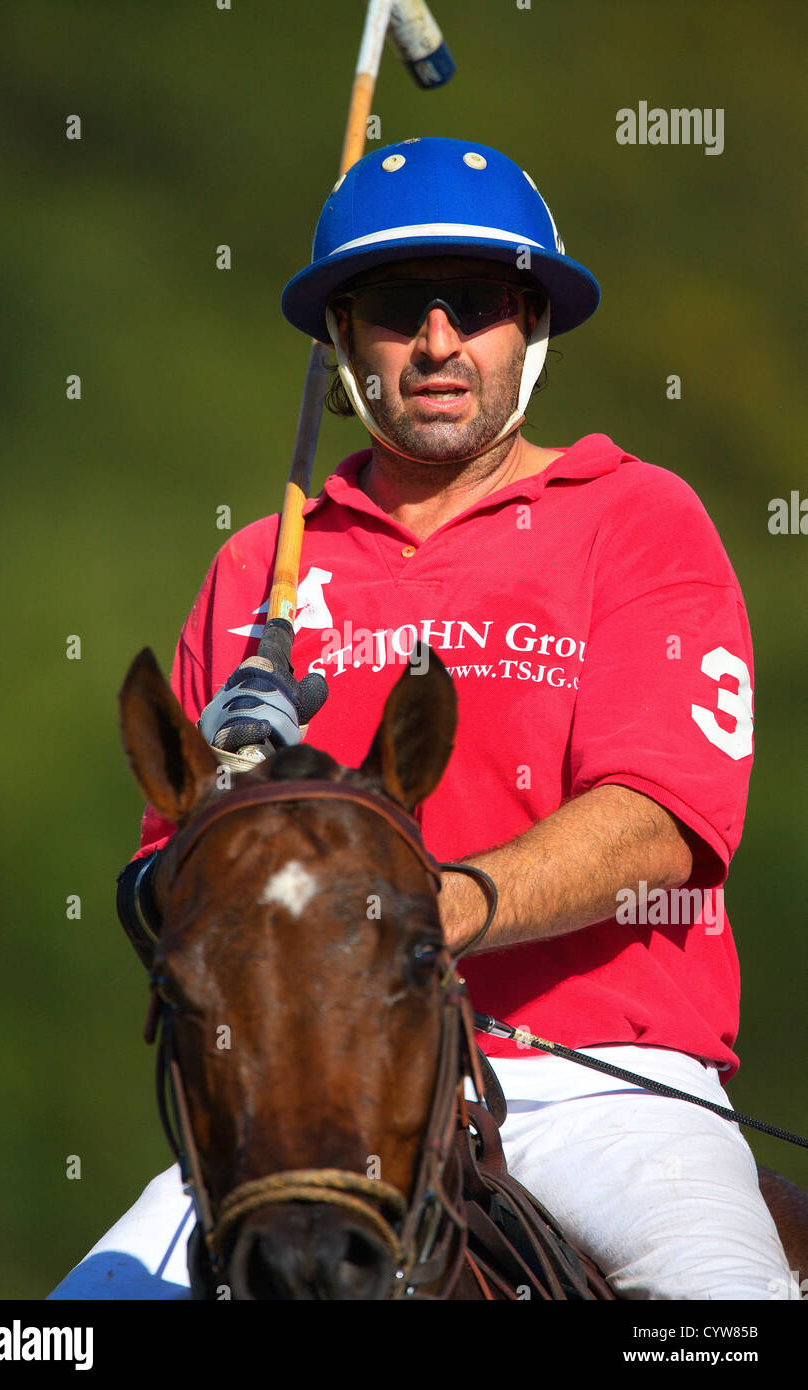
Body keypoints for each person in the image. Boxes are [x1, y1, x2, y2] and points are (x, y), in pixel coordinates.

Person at [49, 137, 797, 1300]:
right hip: (310, 1106)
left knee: (726, 1308)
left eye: (479, 303)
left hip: (601, 1088)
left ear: (530, 325)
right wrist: (217, 834)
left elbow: (663, 819)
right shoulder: (264, 569)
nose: (438, 341)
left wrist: (427, 909)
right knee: (69, 1329)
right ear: (344, 339)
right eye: (400, 307)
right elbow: (159, 893)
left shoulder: (639, 519)